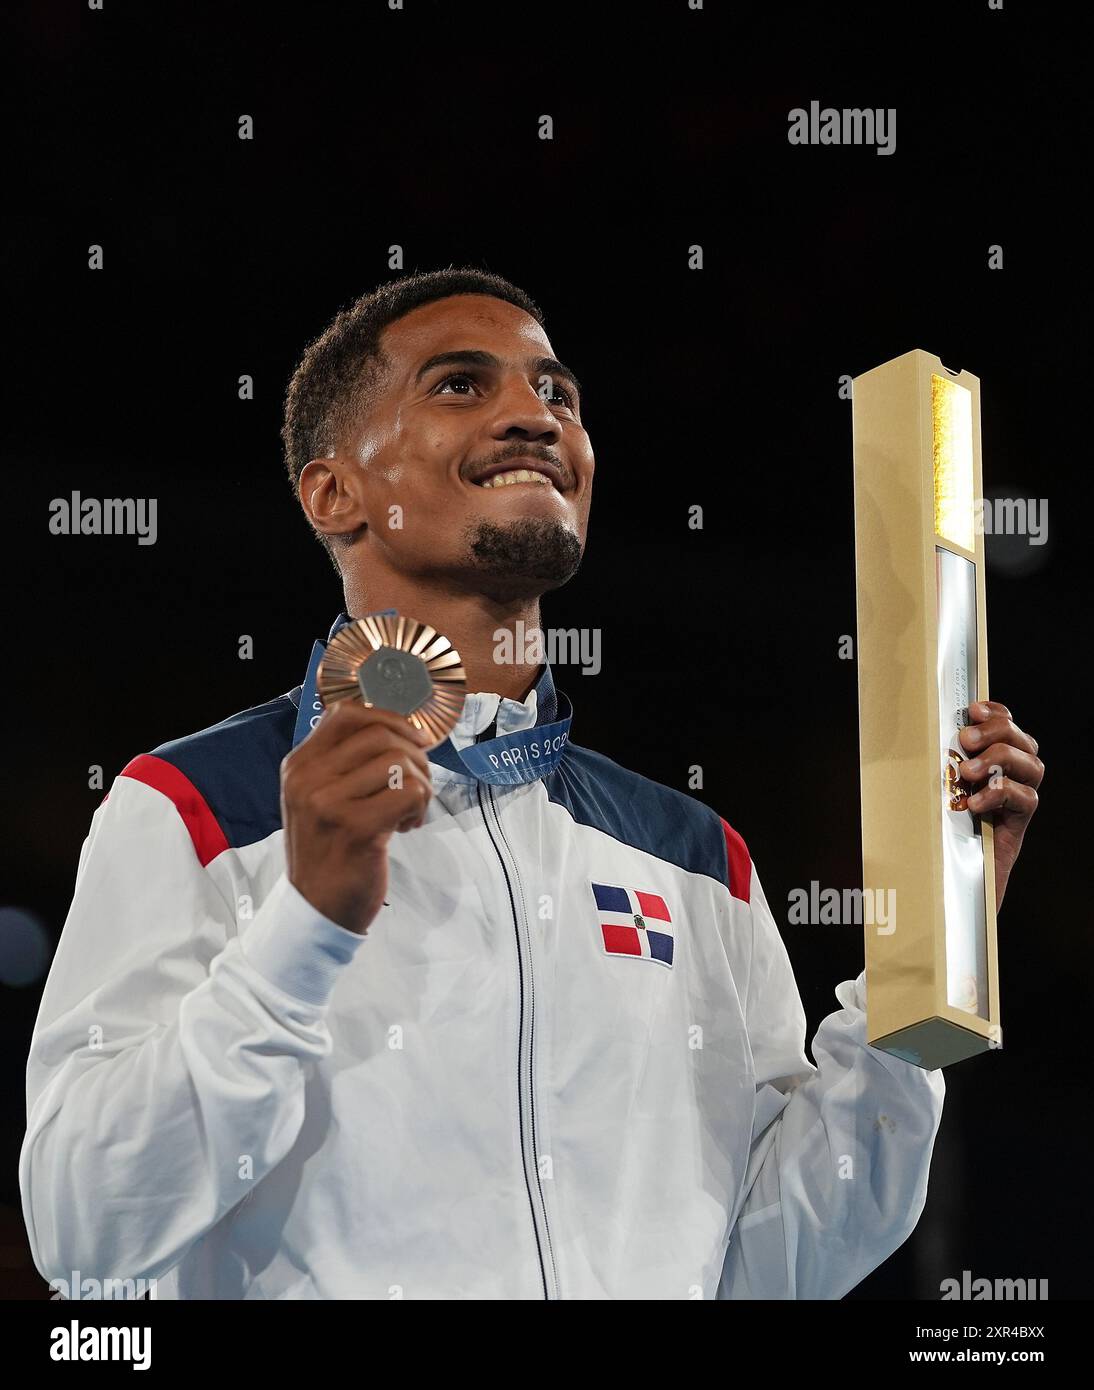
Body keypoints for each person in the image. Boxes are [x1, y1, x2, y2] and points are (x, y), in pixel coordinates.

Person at [19, 268, 1044, 1300]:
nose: (531, 416)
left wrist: (932, 954)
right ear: (334, 492)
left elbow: (771, 1266)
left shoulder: (694, 856)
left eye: (557, 394)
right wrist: (303, 930)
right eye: (460, 385)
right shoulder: (197, 806)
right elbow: (82, 1225)